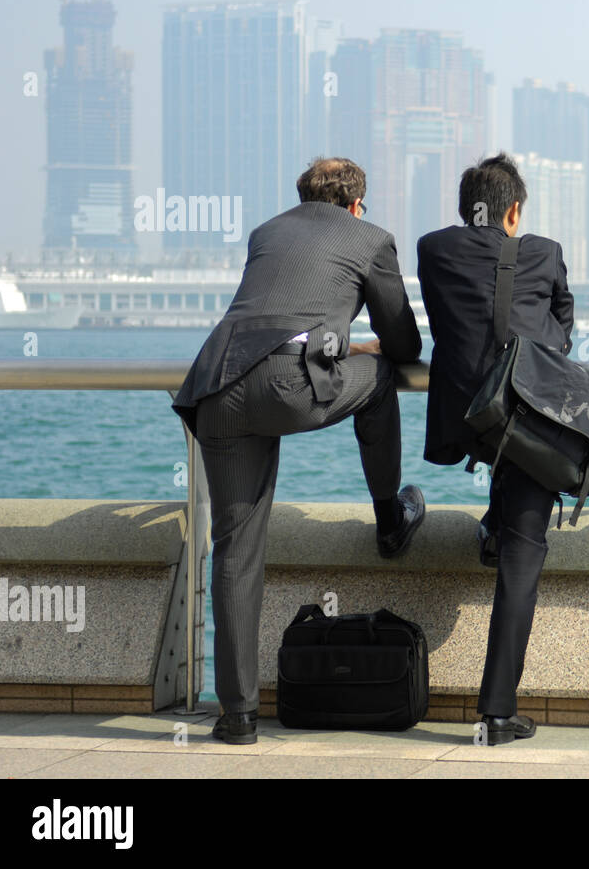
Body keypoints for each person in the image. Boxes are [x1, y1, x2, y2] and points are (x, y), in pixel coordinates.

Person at [172, 157, 427, 745]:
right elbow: (405, 342)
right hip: (288, 387)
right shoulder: (370, 239)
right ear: (357, 204)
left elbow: (273, 313)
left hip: (217, 385)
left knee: (234, 551)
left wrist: (332, 339)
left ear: (302, 196)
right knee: (384, 375)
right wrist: (355, 346)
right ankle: (390, 518)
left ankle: (236, 716)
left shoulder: (267, 231)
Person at [417, 152, 574, 746]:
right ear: (514, 211)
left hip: (464, 418)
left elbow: (442, 317)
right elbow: (561, 327)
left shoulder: (433, 249)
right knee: (523, 559)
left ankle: (492, 522)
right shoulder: (544, 251)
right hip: (526, 421)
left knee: (507, 503)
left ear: (466, 209)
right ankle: (498, 711)